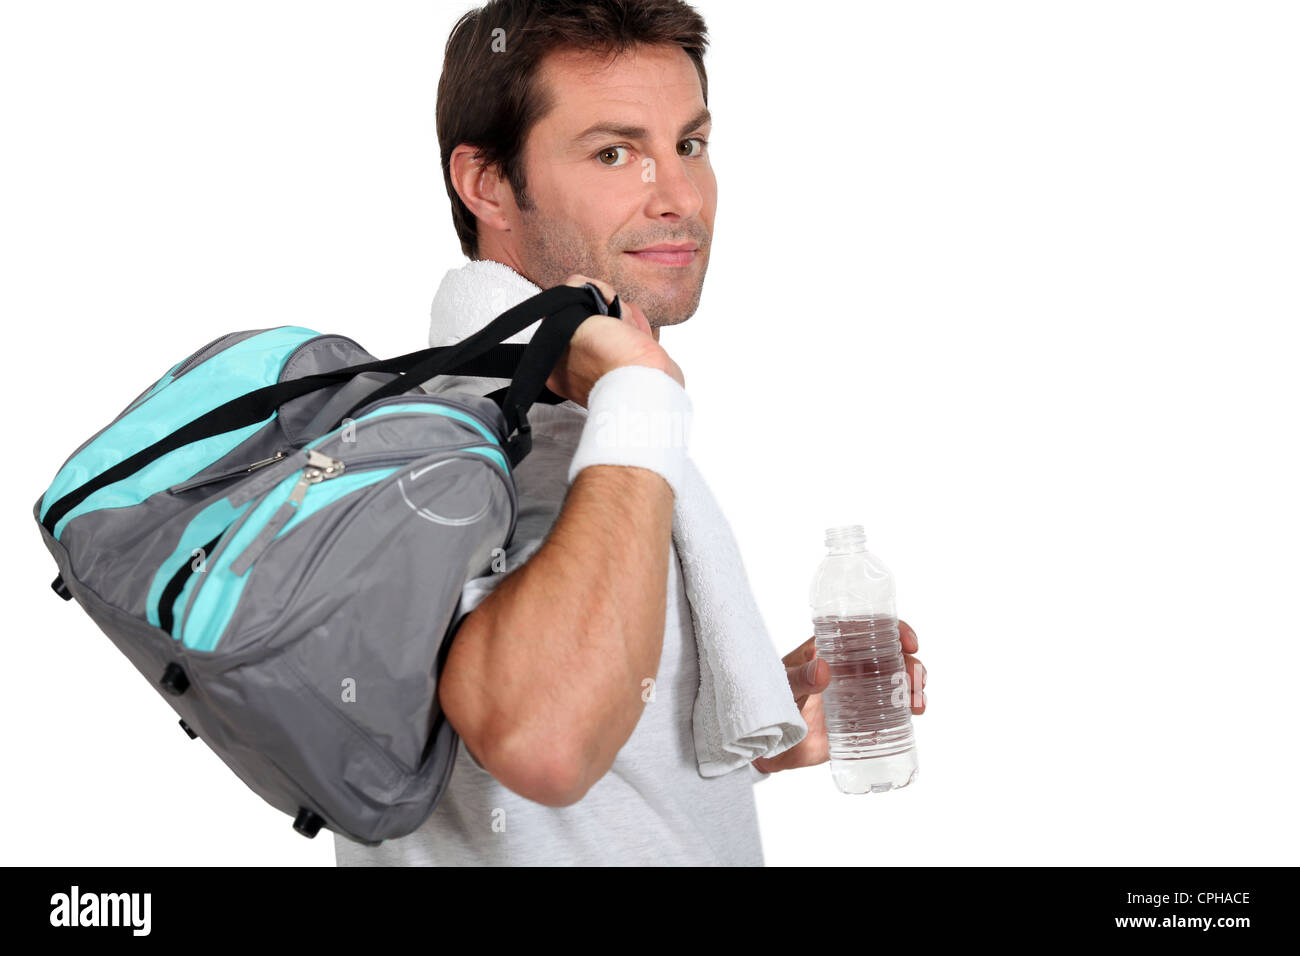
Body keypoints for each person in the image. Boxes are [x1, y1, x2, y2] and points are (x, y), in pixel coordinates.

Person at [334, 0, 926, 867]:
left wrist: (736, 712)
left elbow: (545, 730)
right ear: (486, 184)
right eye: (615, 153)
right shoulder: (469, 440)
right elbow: (544, 745)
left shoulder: (586, 418)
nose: (680, 197)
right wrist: (641, 393)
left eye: (688, 145)